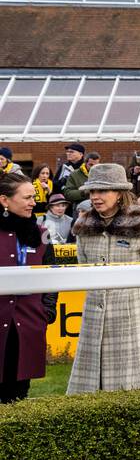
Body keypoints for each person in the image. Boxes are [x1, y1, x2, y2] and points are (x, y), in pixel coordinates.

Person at [66, 164, 140, 394]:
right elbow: (83, 269)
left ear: (119, 193)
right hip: (94, 312)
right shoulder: (82, 227)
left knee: (133, 388)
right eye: (92, 192)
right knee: (90, 392)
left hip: (134, 313)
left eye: (102, 191)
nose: (95, 197)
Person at [0, 172, 57, 403]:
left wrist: (47, 311)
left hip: (28, 326)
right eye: (27, 198)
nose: (34, 202)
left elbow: (52, 276)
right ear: (5, 200)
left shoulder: (41, 234)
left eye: (34, 197)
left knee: (19, 398)